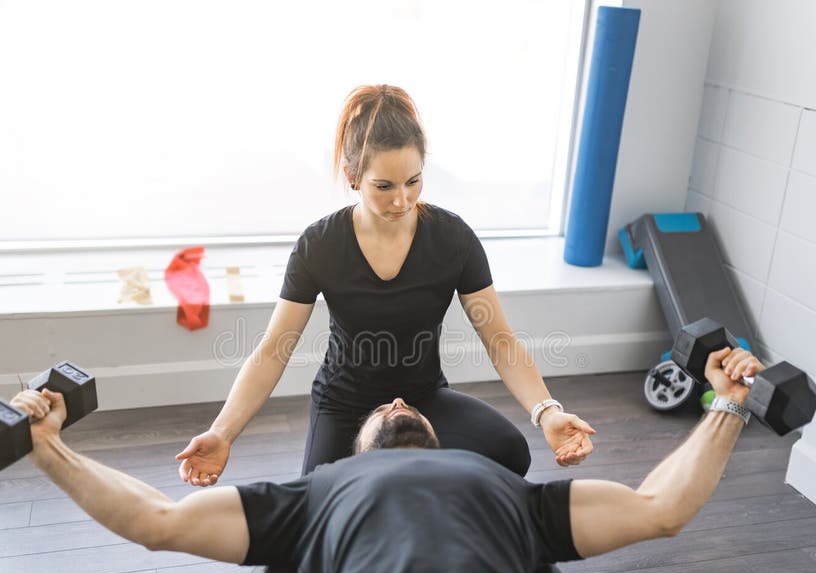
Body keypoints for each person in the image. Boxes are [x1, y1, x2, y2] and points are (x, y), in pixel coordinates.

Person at [13, 346, 762, 573]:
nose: (398, 400)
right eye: (384, 404)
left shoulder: (510, 493)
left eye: (407, 402)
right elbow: (157, 520)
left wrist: (726, 405)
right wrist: (49, 446)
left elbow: (660, 506)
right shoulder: (313, 495)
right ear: (356, 448)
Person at [175, 84, 596, 484]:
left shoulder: (453, 239)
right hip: (344, 404)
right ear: (352, 175)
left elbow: (500, 340)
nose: (402, 200)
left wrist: (548, 412)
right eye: (384, 186)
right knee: (319, 507)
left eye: (413, 181)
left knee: (510, 452)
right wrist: (222, 432)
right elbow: (273, 349)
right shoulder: (319, 245)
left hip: (423, 400)